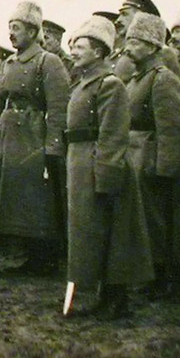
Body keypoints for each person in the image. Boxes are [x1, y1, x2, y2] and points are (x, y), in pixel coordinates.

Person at [63, 17, 152, 319]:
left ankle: (116, 298)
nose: (73, 51)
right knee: (91, 234)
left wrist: (106, 177)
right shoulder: (84, 81)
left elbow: (113, 134)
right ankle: (104, 295)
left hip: (99, 164)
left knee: (109, 235)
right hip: (81, 161)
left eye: (80, 46)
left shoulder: (109, 85)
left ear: (100, 52)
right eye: (73, 45)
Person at [0, 2, 70, 275]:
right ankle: (29, 255)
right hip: (9, 137)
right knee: (16, 197)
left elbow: (58, 107)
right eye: (10, 28)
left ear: (33, 31)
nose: (11, 34)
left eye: (17, 28)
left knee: (37, 198)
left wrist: (53, 145)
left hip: (34, 135)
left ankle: (44, 257)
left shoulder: (49, 62)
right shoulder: (9, 63)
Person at [123, 13, 180, 300]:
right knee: (144, 218)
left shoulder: (163, 79)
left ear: (153, 46)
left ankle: (163, 276)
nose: (129, 46)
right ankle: (150, 273)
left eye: (136, 41)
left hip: (151, 155)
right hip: (137, 152)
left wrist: (165, 167)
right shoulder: (136, 78)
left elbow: (173, 127)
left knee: (157, 220)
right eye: (128, 40)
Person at [112, 0, 180, 87]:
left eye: (124, 14)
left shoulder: (164, 54)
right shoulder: (121, 50)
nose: (118, 20)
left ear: (141, 16)